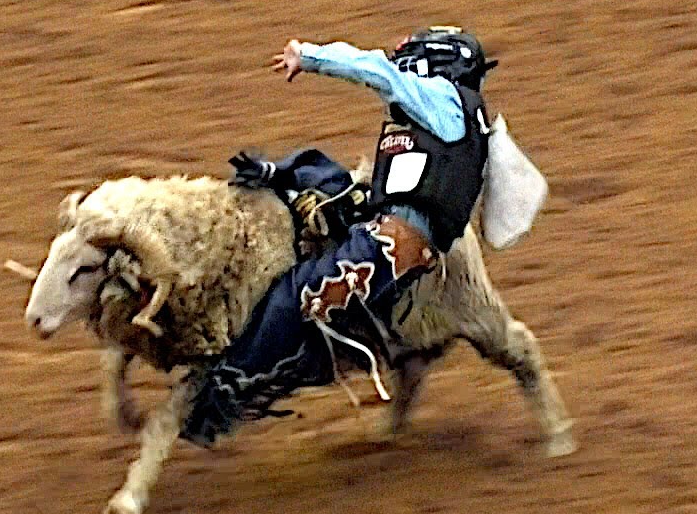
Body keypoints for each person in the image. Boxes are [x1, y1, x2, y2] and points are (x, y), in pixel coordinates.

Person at [181, 26, 500, 445]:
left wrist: (308, 56)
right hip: (400, 235)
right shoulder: (471, 119)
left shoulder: (438, 96)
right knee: (321, 179)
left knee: (294, 296)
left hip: (390, 243)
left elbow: (377, 70)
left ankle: (226, 390)